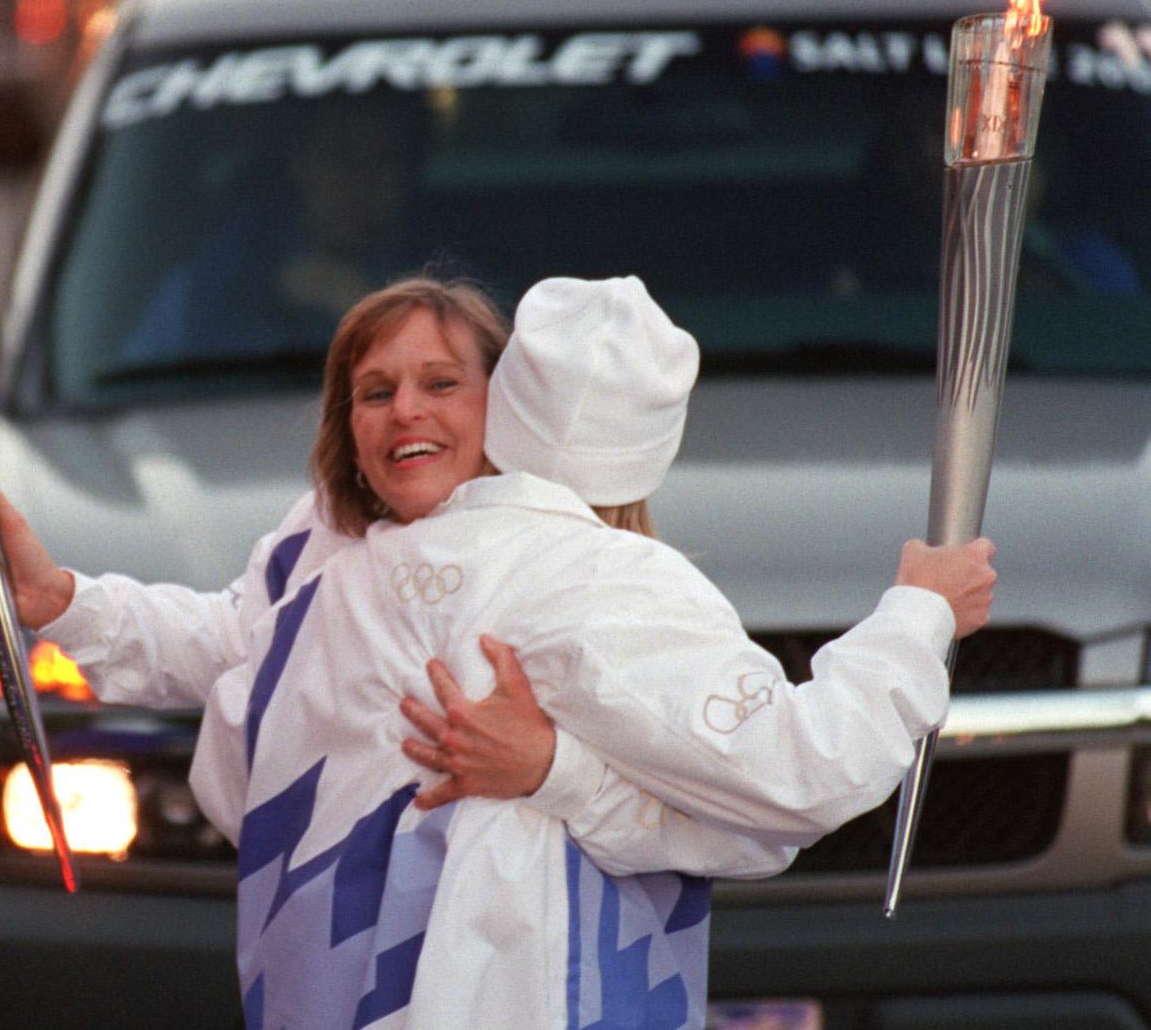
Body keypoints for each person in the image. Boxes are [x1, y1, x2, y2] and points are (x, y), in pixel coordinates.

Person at [185, 274, 995, 1029]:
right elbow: (801, 774)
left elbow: (231, 779)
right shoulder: (606, 584)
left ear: (504, 406)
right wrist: (920, 613)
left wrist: (559, 774)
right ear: (648, 450)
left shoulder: (333, 591)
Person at [0, 278, 802, 884]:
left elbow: (750, 820)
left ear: (508, 409)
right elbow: (232, 641)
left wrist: (551, 768)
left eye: (441, 383)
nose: (406, 411)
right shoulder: (314, 547)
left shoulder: (582, 581)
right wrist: (66, 602)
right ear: (346, 427)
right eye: (373, 391)